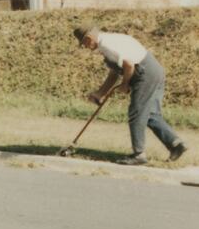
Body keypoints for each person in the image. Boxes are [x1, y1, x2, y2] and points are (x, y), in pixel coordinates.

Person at [73, 25, 187, 164]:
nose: (85, 47)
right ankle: (176, 145)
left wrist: (125, 84)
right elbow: (114, 73)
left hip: (145, 73)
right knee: (151, 114)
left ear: (89, 38)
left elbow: (129, 65)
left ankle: (138, 155)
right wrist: (100, 93)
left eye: (84, 43)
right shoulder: (107, 42)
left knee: (136, 112)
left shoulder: (108, 44)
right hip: (154, 70)